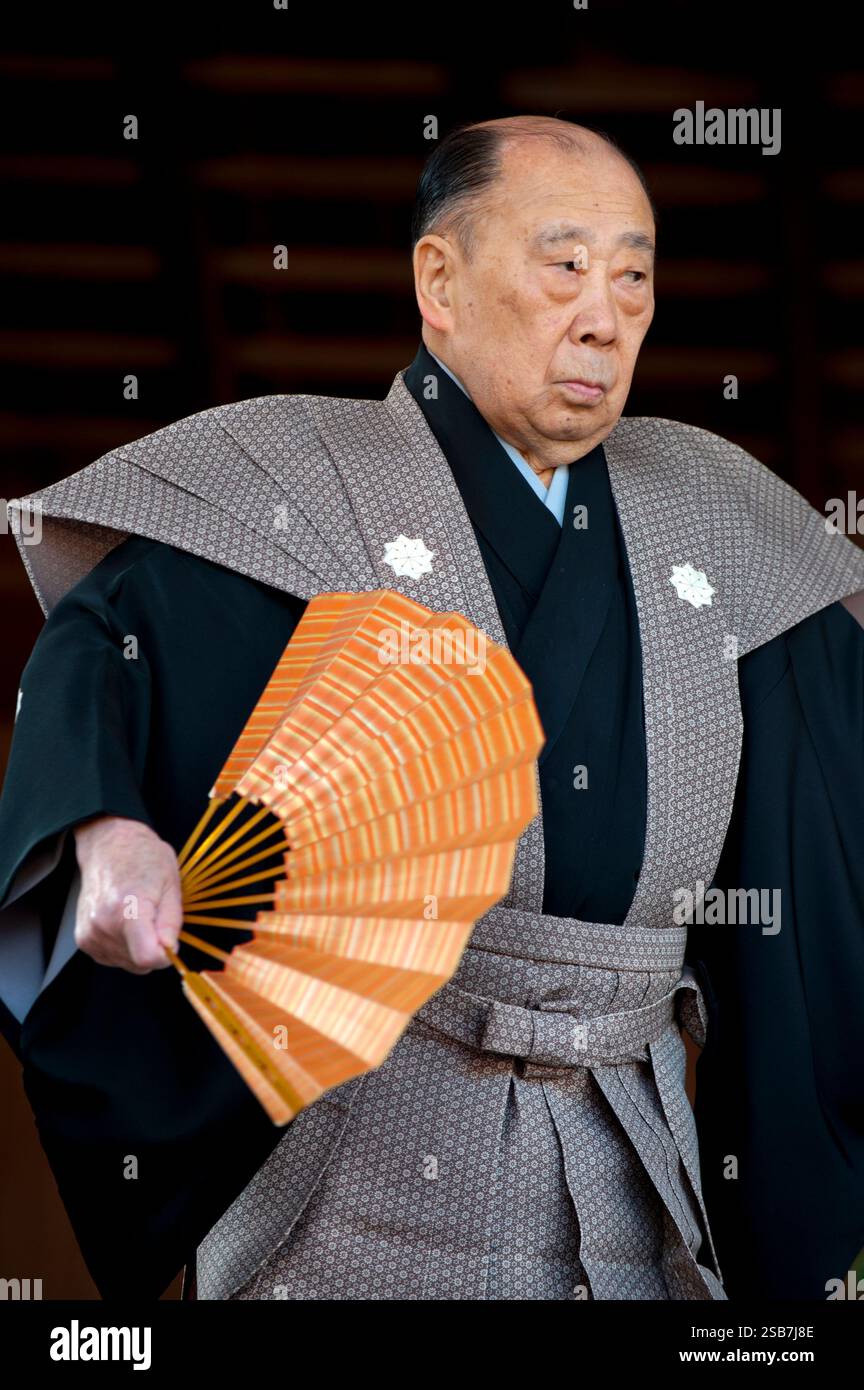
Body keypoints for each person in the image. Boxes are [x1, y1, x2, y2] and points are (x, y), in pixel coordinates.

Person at [1, 115, 862, 1301]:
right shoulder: (299, 481)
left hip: (628, 1166)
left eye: (633, 277)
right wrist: (106, 836)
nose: (603, 317)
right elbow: (101, 651)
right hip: (356, 1157)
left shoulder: (717, 519)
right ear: (439, 281)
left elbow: (823, 843)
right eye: (565, 266)